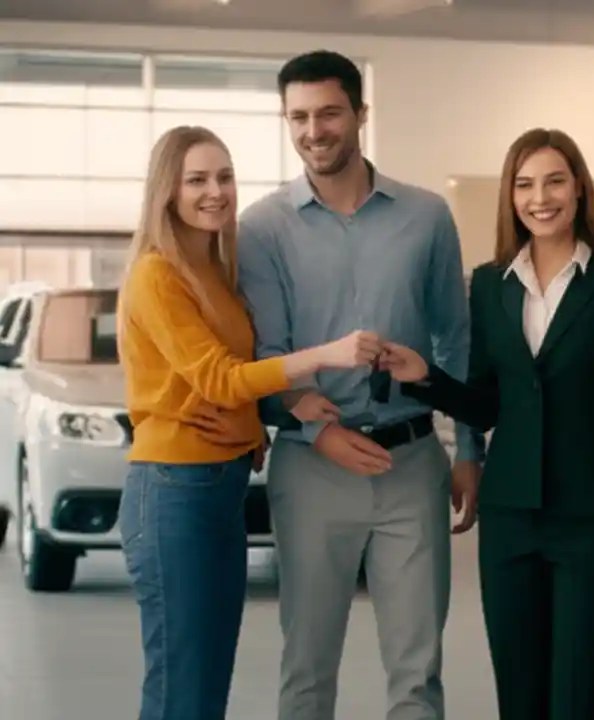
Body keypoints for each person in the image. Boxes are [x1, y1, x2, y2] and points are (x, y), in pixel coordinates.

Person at [377, 127, 594, 720]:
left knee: (579, 701)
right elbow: (486, 404)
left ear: (579, 188)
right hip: (509, 522)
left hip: (591, 523)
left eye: (555, 180)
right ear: (510, 196)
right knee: (520, 701)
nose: (541, 197)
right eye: (525, 184)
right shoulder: (490, 284)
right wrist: (426, 376)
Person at [235, 50, 482, 720]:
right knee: (307, 670)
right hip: (311, 471)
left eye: (328, 113)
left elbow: (453, 339)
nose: (314, 130)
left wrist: (467, 452)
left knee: (417, 673)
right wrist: (318, 431)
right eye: (299, 117)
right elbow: (269, 352)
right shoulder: (261, 227)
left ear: (360, 114)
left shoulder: (426, 216)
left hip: (411, 467)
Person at [116, 125, 381, 720]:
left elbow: (232, 381)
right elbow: (220, 378)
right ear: (167, 191)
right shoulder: (158, 275)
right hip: (172, 492)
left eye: (225, 176)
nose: (216, 191)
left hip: (221, 484)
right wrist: (323, 357)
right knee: (180, 687)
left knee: (208, 683)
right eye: (197, 180)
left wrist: (264, 420)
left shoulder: (214, 268)